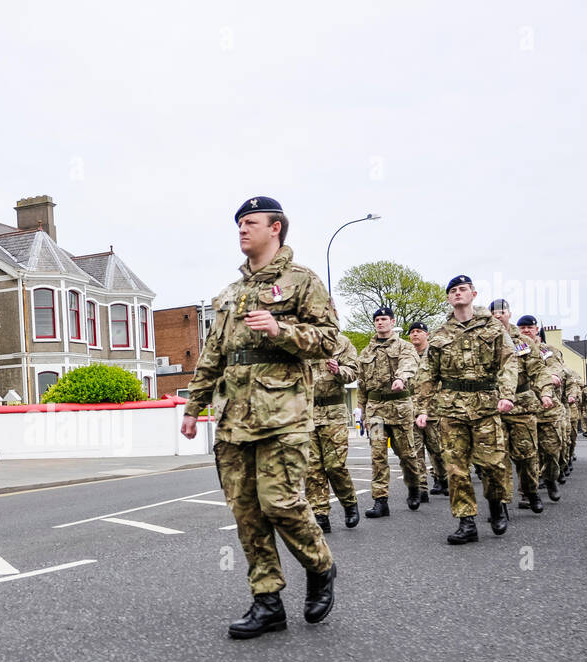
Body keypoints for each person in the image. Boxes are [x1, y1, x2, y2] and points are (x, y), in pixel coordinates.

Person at [181, 196, 339, 637]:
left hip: (283, 415)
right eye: (238, 224)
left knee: (281, 503)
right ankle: (267, 601)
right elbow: (213, 355)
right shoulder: (229, 294)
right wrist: (195, 406)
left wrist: (280, 329)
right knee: (247, 513)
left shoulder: (302, 281)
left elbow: (330, 340)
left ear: (276, 228)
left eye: (250, 222)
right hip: (233, 419)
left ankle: (320, 566)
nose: (242, 230)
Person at [414, 276, 518, 544]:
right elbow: (427, 374)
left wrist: (507, 395)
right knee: (456, 469)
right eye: (453, 291)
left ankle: (496, 505)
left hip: (485, 405)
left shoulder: (493, 328)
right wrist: (422, 408)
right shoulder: (439, 335)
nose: (458, 293)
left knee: (493, 464)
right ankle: (466, 521)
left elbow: (508, 363)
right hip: (451, 408)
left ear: (473, 294)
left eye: (462, 289)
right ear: (448, 298)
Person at [359, 306, 425, 517]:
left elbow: (409, 363)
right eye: (377, 319)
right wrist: (360, 409)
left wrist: (401, 377)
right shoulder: (367, 352)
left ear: (392, 321)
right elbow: (362, 383)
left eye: (384, 319)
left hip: (399, 409)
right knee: (378, 456)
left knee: (407, 454)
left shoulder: (405, 347)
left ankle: (414, 486)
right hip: (376, 412)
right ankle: (380, 500)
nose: (380, 322)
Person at [491, 300, 553, 512]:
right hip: (493, 407)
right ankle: (501, 502)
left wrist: (545, 392)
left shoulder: (523, 342)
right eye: (494, 313)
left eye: (502, 312)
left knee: (526, 456)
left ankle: (531, 491)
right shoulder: (485, 340)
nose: (498, 316)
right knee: (497, 458)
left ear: (509, 314)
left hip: (522, 406)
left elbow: (538, 370)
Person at [305, 332, 361, 532]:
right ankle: (320, 514)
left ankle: (349, 502)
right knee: (312, 469)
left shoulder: (341, 342)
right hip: (307, 415)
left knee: (334, 465)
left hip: (333, 413)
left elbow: (354, 371)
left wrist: (339, 370)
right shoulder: (301, 342)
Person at [519, 317, 566, 500]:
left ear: (536, 329)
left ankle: (551, 478)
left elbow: (556, 367)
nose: (526, 331)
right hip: (524, 407)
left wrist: (552, 376)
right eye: (522, 328)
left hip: (548, 408)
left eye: (529, 327)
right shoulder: (518, 349)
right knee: (526, 452)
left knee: (552, 450)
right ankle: (527, 491)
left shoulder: (548, 351)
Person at [408, 321, 447, 496]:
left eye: (419, 331)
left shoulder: (434, 353)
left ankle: (442, 478)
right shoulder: (406, 354)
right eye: (413, 332)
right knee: (415, 451)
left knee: (437, 449)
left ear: (427, 334)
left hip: (434, 409)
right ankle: (421, 486)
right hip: (411, 409)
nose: (415, 334)